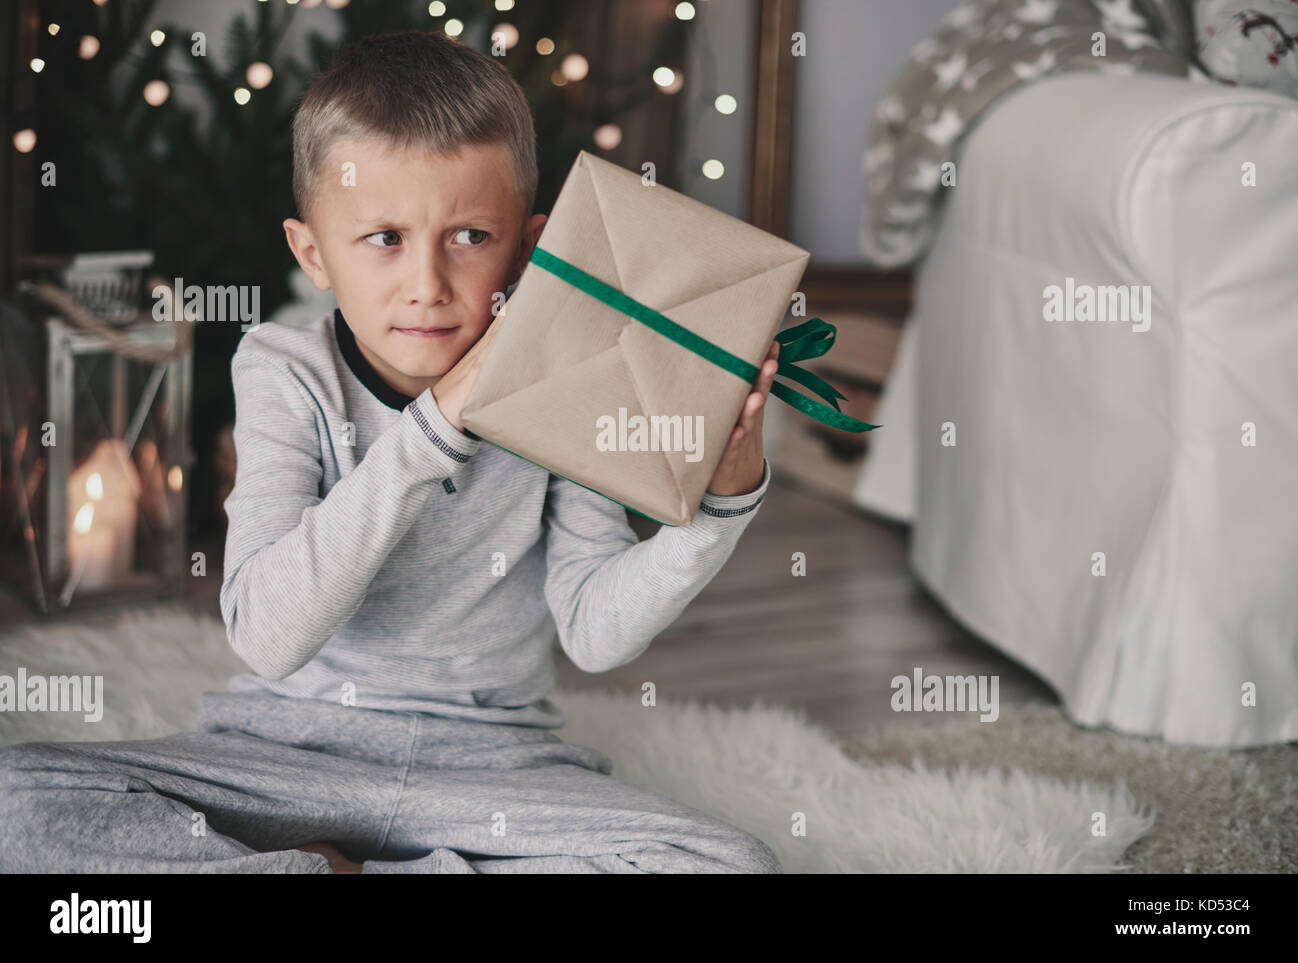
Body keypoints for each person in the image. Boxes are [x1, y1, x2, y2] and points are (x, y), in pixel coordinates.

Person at [0, 30, 782, 874]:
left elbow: (593, 630)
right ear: (314, 253)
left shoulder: (563, 378)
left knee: (724, 861)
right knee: (17, 798)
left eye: (471, 237)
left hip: (492, 771)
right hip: (287, 762)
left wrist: (718, 510)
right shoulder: (281, 369)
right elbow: (266, 636)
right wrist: (434, 432)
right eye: (383, 238)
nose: (427, 283)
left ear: (528, 247)